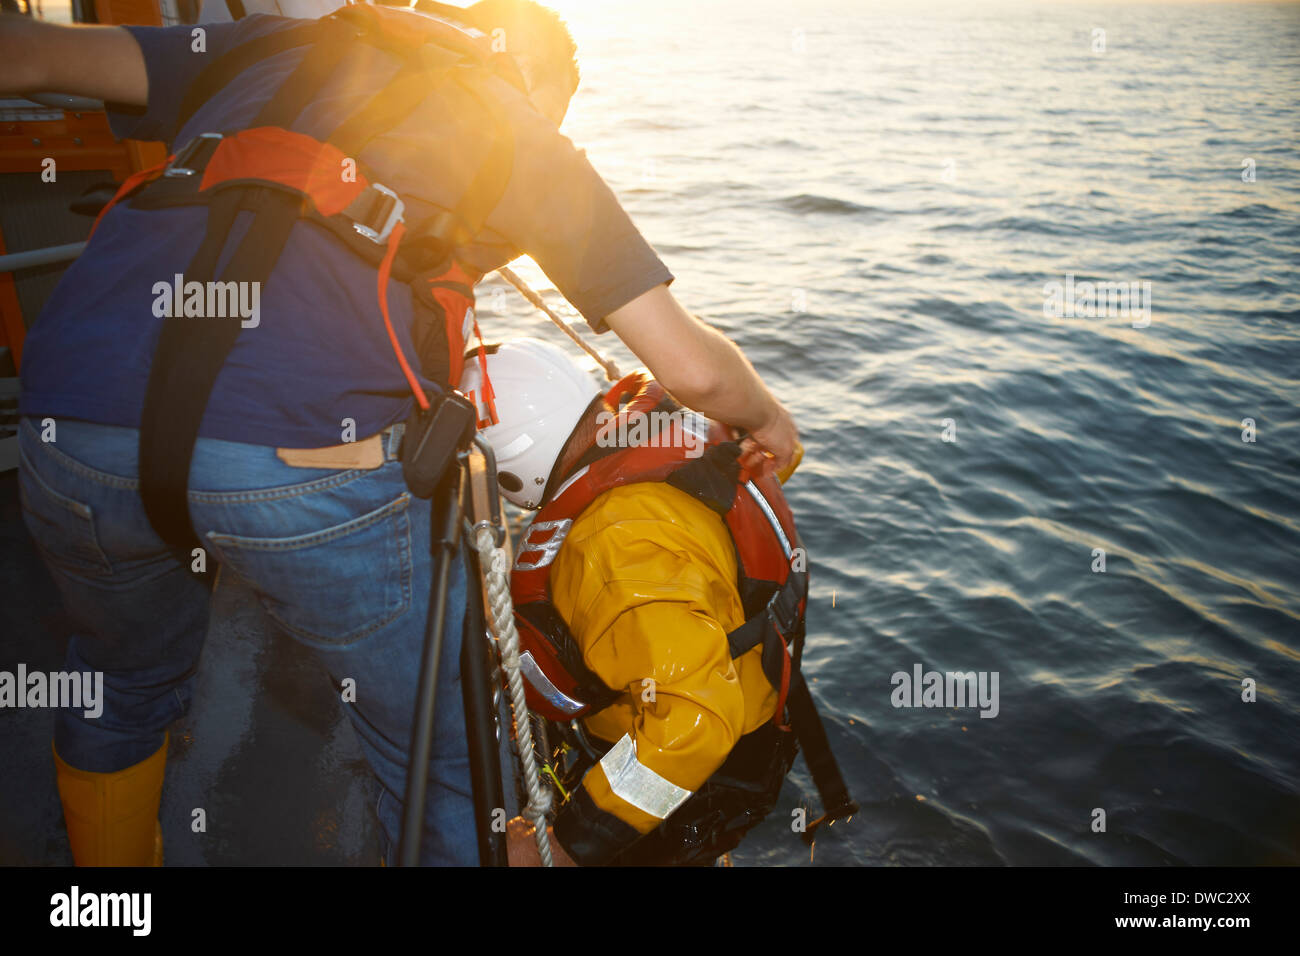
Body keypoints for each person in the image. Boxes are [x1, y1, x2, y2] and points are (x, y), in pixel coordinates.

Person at [0, 0, 797, 866]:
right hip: (301, 460)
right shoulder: (516, 126)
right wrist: (767, 420)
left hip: (70, 421)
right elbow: (696, 372)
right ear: (531, 78)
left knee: (121, 687)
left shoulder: (267, 42)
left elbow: (29, 52)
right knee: (444, 756)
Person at [461, 339, 813, 866]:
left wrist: (566, 846)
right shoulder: (666, 454)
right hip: (748, 717)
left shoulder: (614, 547)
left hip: (692, 783)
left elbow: (694, 724)